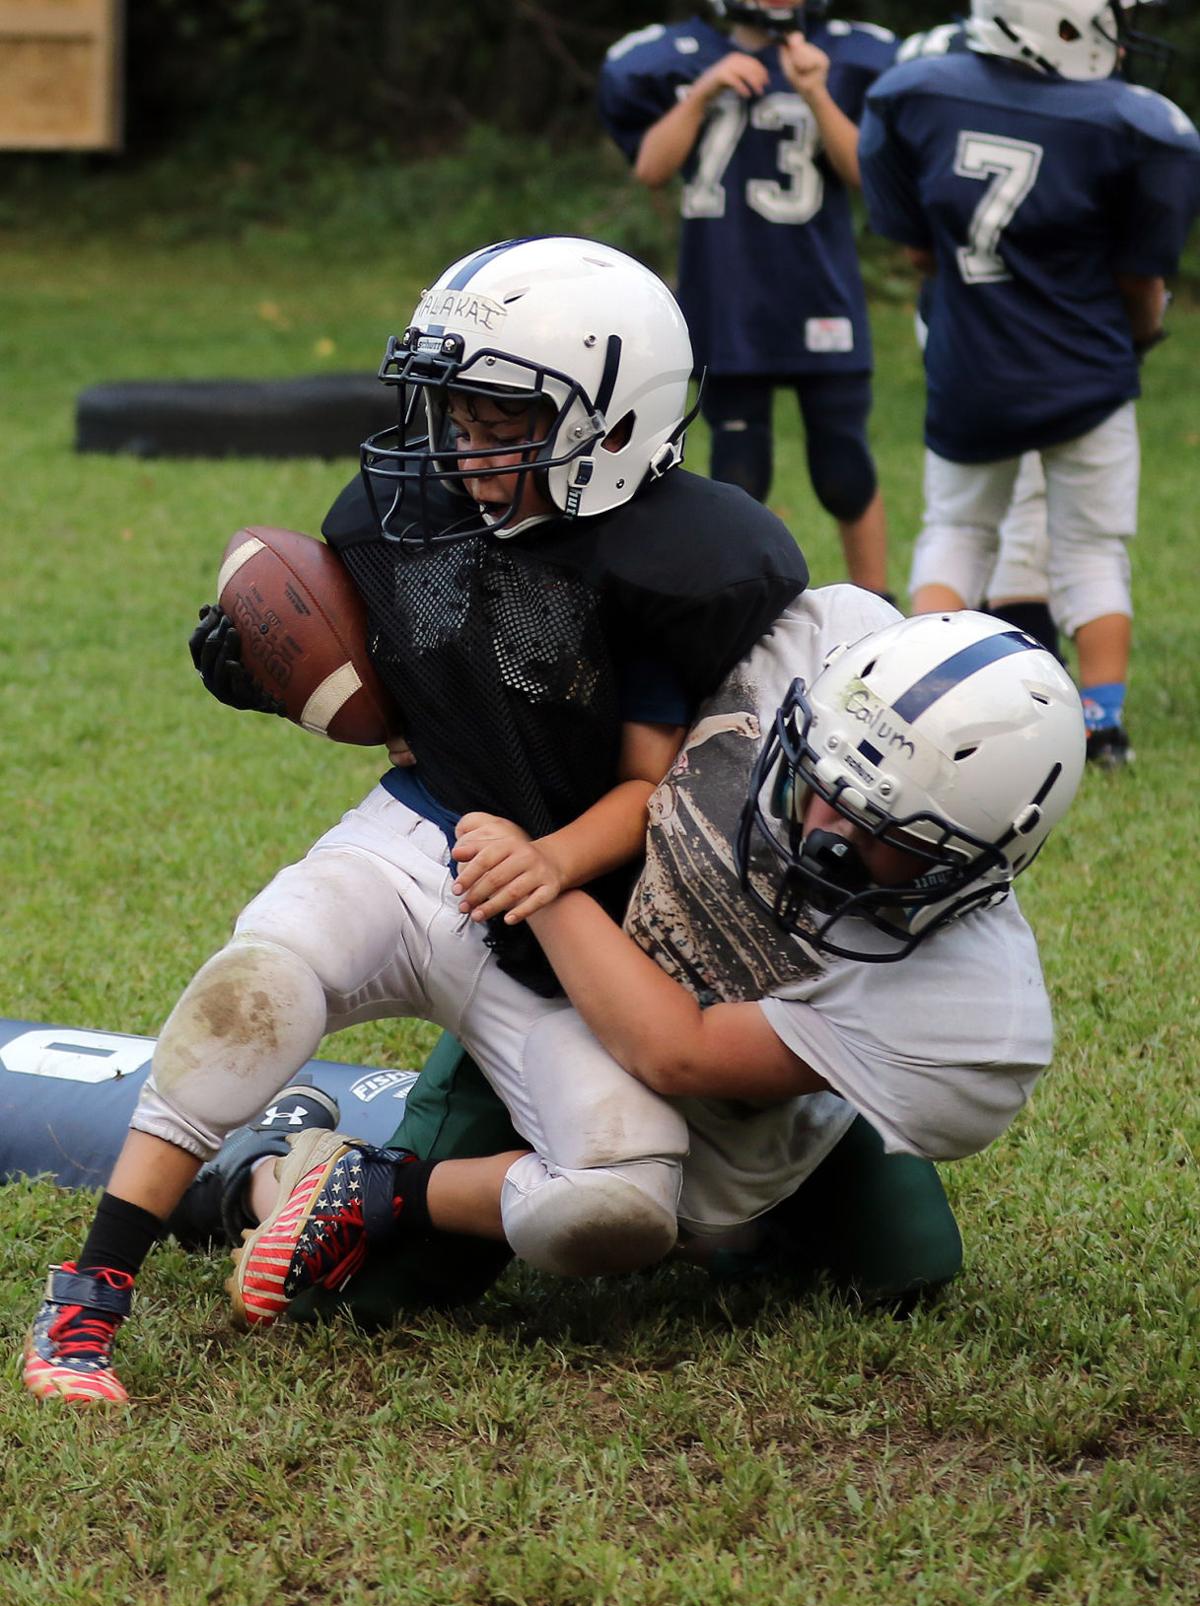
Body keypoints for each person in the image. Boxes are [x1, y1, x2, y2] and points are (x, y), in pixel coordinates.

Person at [22, 234, 812, 1406]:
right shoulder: (409, 515)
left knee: (623, 1205)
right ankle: (88, 1294)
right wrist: (269, 667)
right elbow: (398, 691)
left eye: (501, 420)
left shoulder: (681, 563)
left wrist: (544, 864)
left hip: (570, 916)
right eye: (453, 411)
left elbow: (651, 793)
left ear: (614, 423)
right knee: (258, 985)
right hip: (419, 835)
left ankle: (359, 1182)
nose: (461, 446)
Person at [179, 592, 1084, 1335]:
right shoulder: (793, 641)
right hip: (561, 1007)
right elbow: (539, 626)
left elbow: (679, 1052)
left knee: (909, 1274)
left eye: (882, 836)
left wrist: (539, 874)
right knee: (350, 1304)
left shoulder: (974, 1012)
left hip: (724, 1073)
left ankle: (727, 1229)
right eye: (822, 786)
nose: (825, 835)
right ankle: (270, 1169)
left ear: (974, 870)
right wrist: (356, 674)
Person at [858, 0, 1200, 765]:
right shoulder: (1134, 124)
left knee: (956, 532)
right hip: (1083, 369)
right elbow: (1141, 280)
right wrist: (1142, 335)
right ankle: (1102, 724)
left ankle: (920, 702)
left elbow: (917, 254)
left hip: (970, 361)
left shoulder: (916, 93)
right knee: (1091, 552)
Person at [599, 2, 897, 594]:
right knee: (739, 473)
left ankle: (880, 608)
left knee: (845, 471)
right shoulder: (680, 60)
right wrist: (701, 92)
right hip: (726, 293)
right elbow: (651, 169)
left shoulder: (845, 56)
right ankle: (737, 604)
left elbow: (869, 175)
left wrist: (816, 93)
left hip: (820, 290)